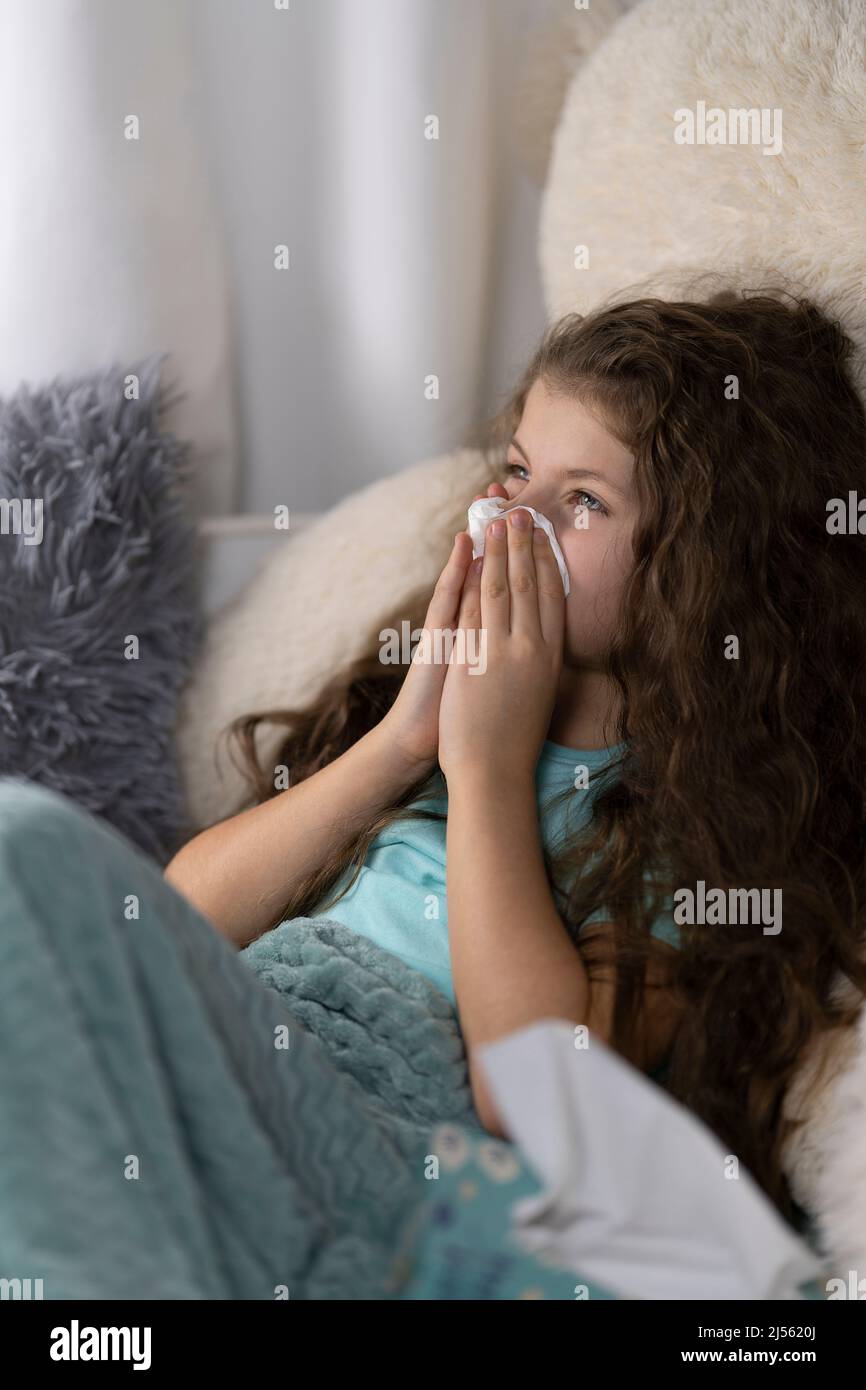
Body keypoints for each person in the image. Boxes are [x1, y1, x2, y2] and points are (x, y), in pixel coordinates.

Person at [166, 288, 866, 1226]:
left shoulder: (689, 831)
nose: (513, 518)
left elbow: (535, 1095)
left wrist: (488, 772)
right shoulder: (409, 719)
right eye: (517, 471)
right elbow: (176, 923)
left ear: (702, 570)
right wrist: (404, 742)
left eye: (582, 499)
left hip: (366, 1138)